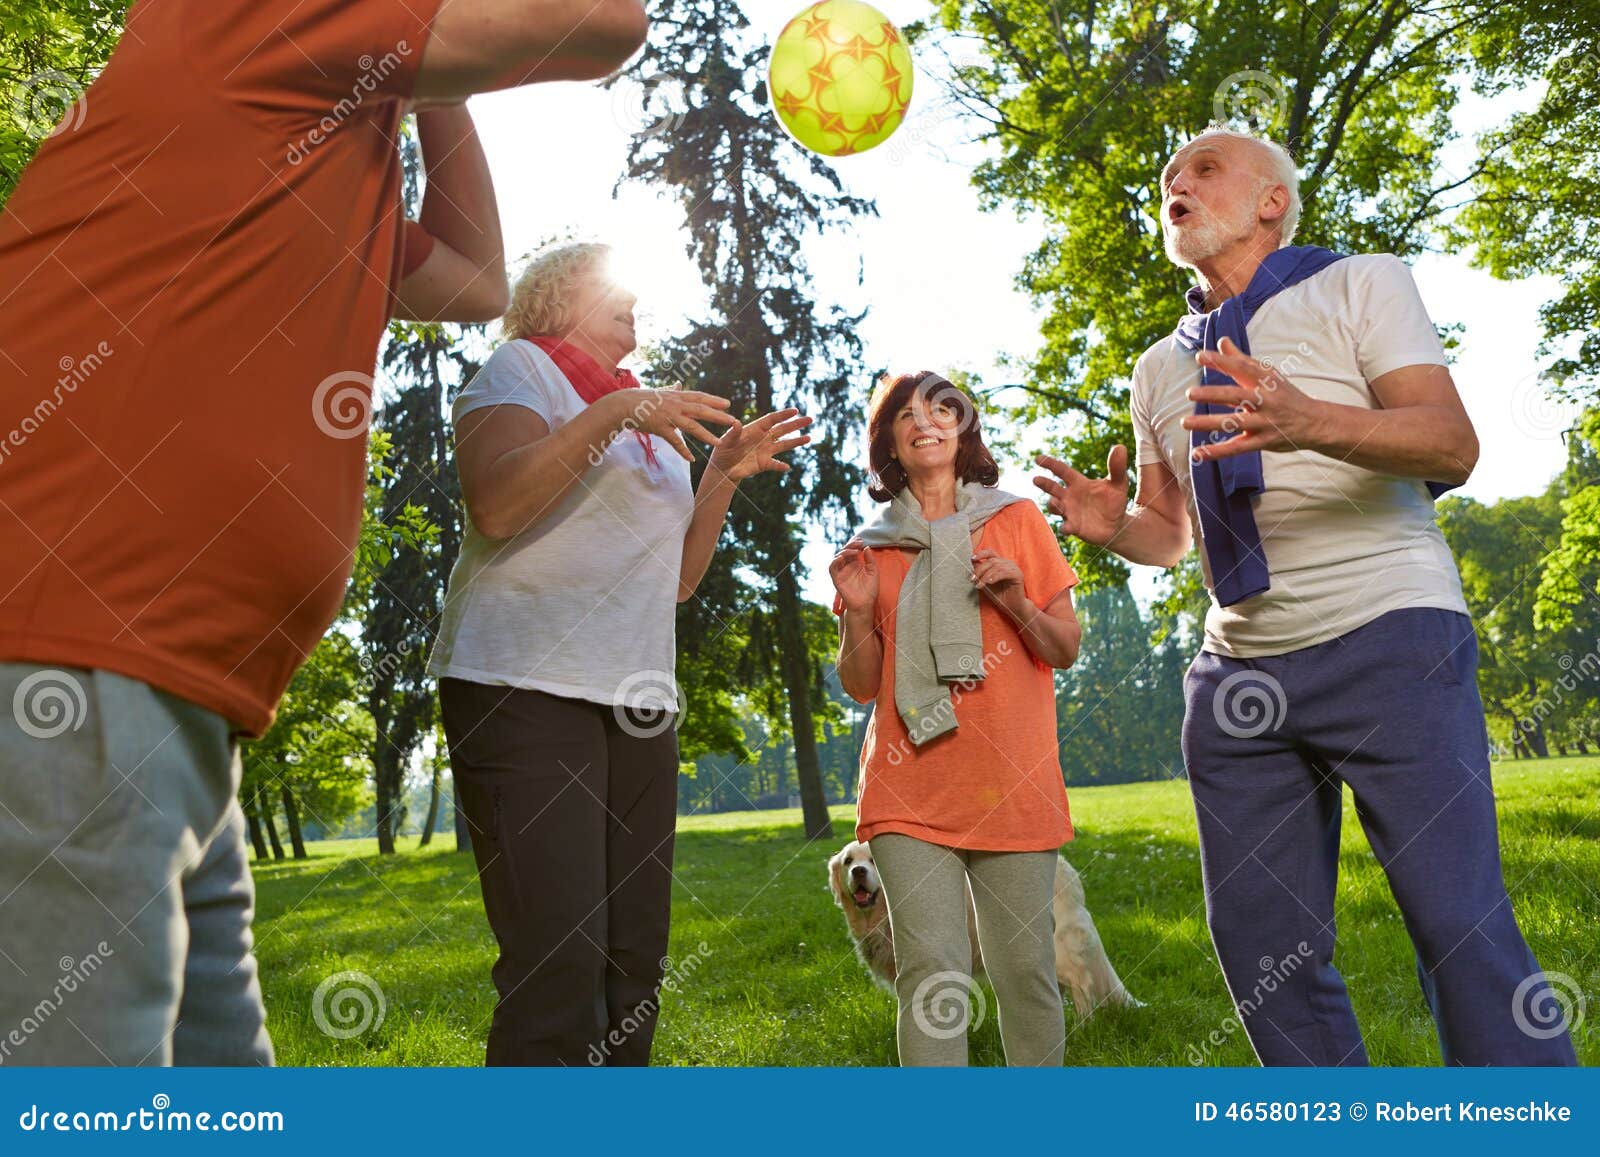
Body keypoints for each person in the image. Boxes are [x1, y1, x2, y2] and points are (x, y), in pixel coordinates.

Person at [0, 0, 650, 1066]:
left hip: (168, 693)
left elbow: (474, 279)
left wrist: (424, 89)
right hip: (69, 654)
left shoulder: (314, 138)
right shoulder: (248, 15)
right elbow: (604, 23)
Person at [1034, 126, 1578, 1066]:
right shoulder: (1160, 366)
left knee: (1459, 924)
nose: (1178, 181)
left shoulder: (1361, 282)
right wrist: (1114, 525)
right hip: (1239, 673)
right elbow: (1172, 535)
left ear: (1271, 200)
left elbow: (1451, 444)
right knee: (1263, 955)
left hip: (1391, 636)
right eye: (1168, 175)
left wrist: (1304, 419)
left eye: (1204, 167)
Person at [429, 241, 812, 1066]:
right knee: (557, 959)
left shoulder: (648, 411)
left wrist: (719, 475)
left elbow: (675, 578)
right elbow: (496, 504)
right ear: (557, 294)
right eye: (611, 285)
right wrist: (610, 415)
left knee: (632, 958)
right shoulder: (521, 370)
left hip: (637, 699)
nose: (632, 297)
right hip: (521, 684)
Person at [829, 371, 1081, 1066]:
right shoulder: (872, 549)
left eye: (941, 408)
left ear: (962, 428)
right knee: (930, 973)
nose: (925, 421)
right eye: (905, 415)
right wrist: (854, 612)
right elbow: (859, 683)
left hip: (1012, 778)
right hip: (908, 785)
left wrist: (1014, 598)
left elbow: (1063, 645)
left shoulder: (1018, 521)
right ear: (891, 446)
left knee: (1024, 970)